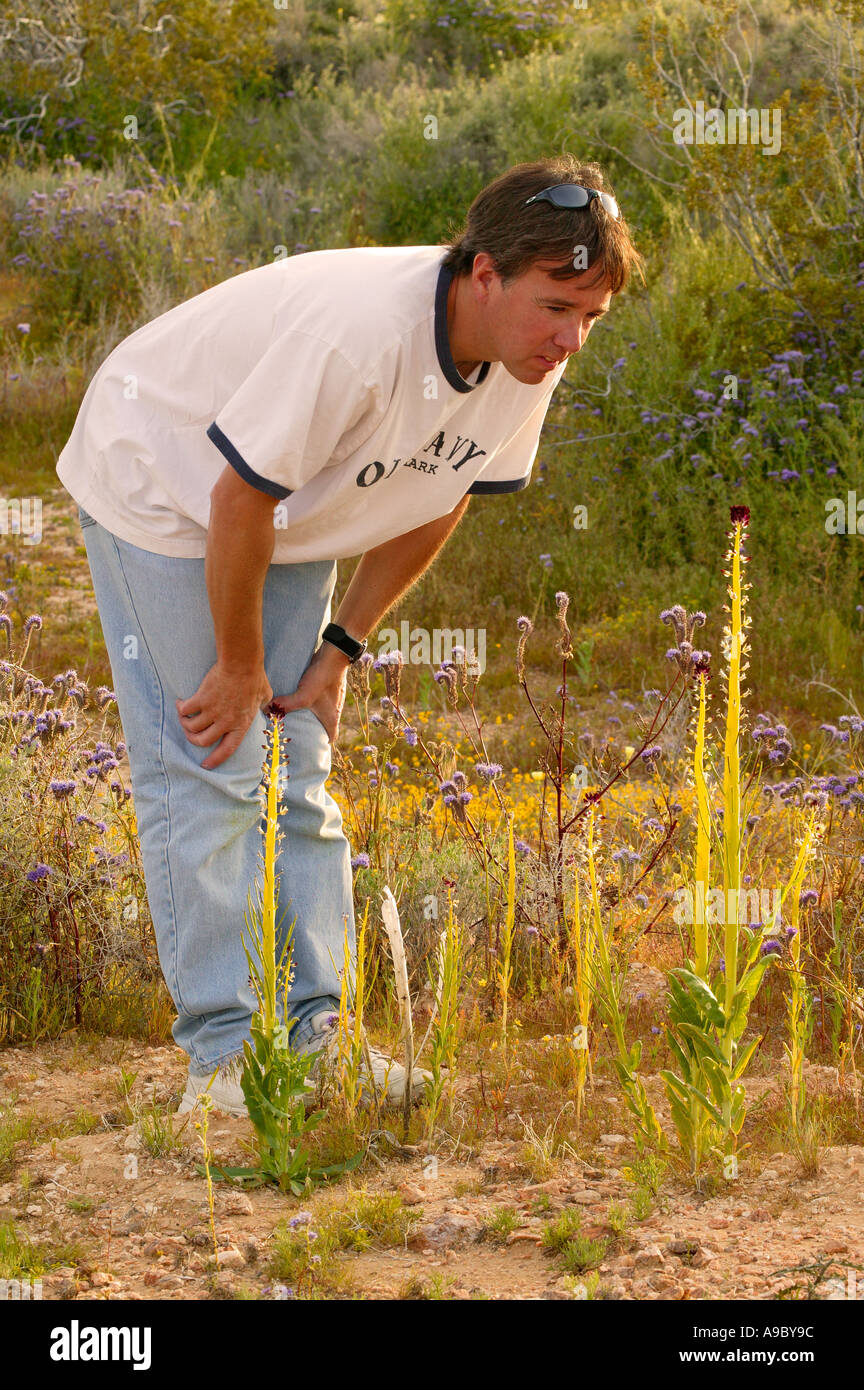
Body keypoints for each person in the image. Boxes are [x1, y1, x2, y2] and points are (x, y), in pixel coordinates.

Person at [56, 154, 643, 1117]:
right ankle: (224, 1062)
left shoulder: (524, 351)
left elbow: (440, 489)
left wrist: (340, 648)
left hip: (284, 502)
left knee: (302, 764)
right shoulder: (360, 335)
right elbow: (236, 493)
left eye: (591, 316)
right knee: (216, 757)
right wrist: (239, 666)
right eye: (556, 306)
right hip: (162, 480)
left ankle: (317, 1040)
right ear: (484, 273)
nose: (571, 339)